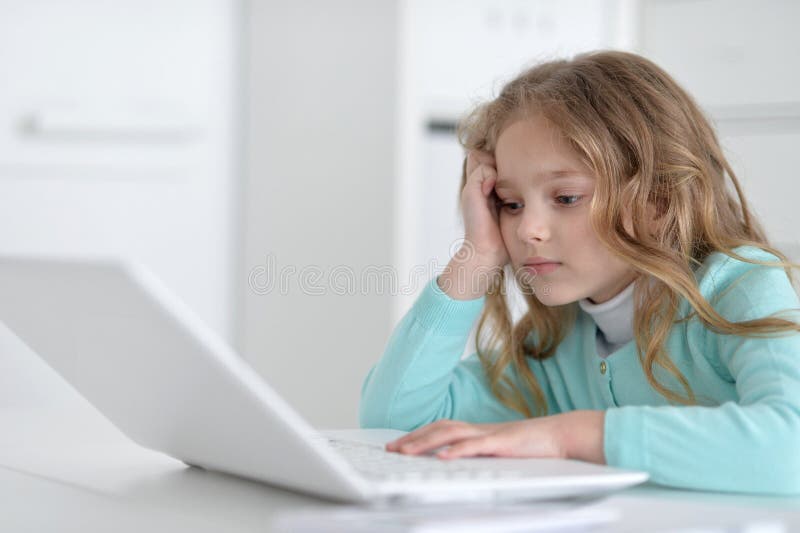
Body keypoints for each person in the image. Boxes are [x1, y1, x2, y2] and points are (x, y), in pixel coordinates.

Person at [359, 50, 800, 495]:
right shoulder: (559, 346)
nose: (527, 229)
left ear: (658, 202)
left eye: (566, 198)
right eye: (511, 204)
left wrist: (570, 435)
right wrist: (476, 257)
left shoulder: (740, 287)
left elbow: (791, 448)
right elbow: (393, 424)